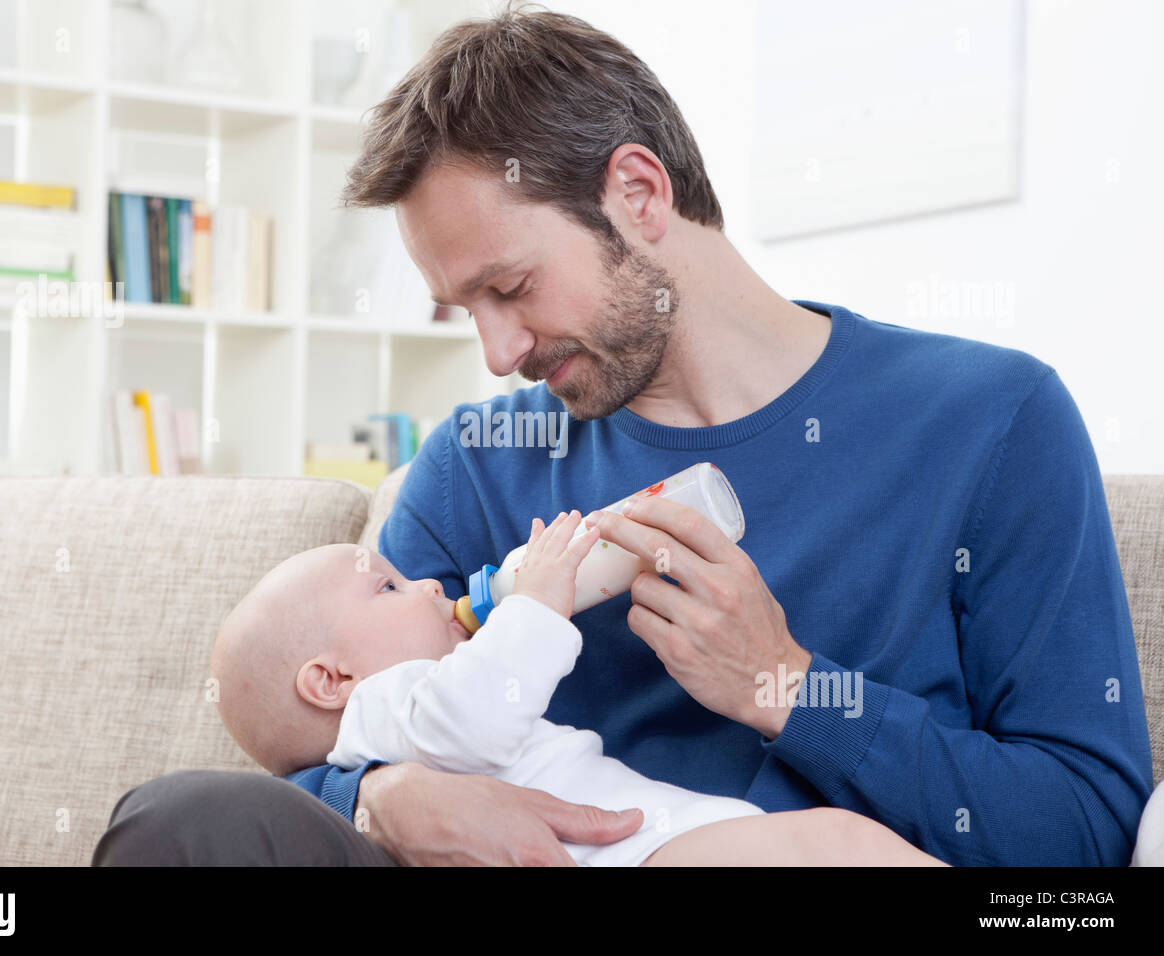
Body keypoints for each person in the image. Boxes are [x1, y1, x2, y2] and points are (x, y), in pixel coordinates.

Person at [93, 4, 1152, 867]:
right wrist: (385, 792)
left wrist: (790, 688)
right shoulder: (478, 462)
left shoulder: (989, 421)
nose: (498, 350)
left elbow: (1084, 828)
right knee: (187, 818)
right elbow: (306, 731)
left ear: (638, 193)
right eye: (463, 309)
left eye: (508, 287)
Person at [206, 521, 946, 866]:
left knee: (843, 845)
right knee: (841, 844)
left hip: (657, 842)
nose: (432, 583)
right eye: (390, 586)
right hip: (642, 853)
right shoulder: (385, 704)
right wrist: (535, 604)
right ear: (330, 681)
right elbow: (475, 721)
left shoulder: (395, 710)